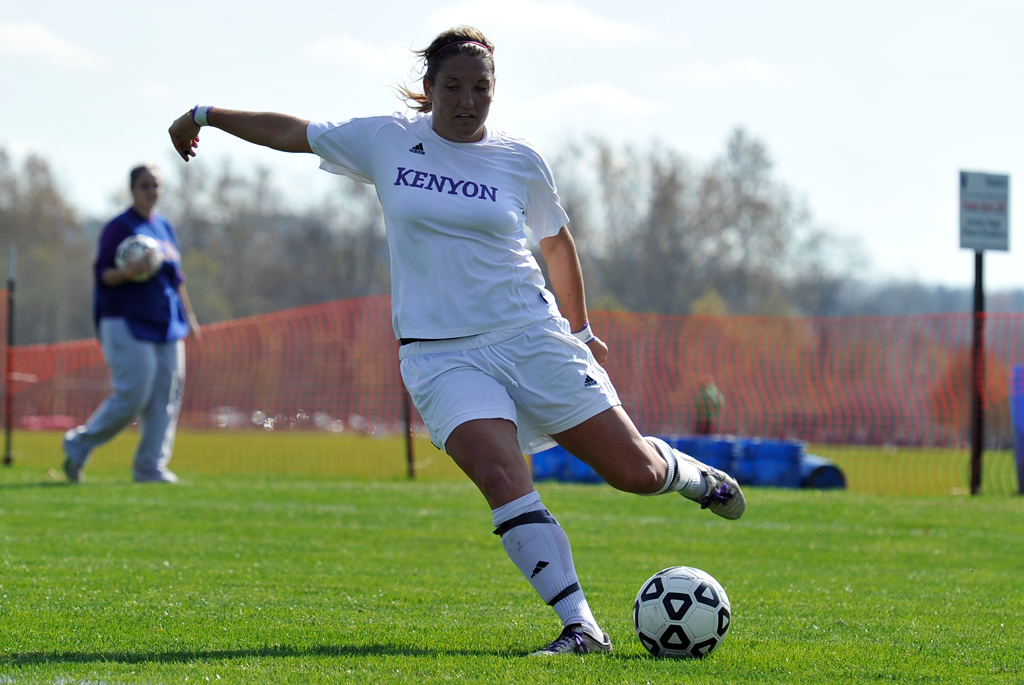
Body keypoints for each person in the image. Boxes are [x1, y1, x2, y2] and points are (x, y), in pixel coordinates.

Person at [167, 26, 745, 656]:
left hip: (529, 335)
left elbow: (555, 243)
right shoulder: (387, 140)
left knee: (634, 472)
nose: (468, 101)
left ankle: (690, 477)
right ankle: (582, 628)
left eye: (481, 88)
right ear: (429, 89)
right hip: (439, 354)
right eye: (454, 87)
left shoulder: (519, 159)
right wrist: (206, 115)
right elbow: (295, 133)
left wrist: (581, 332)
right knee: (501, 474)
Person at [62, 164, 200, 484]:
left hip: (167, 323)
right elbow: (103, 275)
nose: (151, 191)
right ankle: (78, 445)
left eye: (156, 185)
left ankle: (150, 468)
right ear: (132, 190)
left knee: (166, 397)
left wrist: (189, 317)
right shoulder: (119, 227)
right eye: (145, 186)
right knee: (134, 394)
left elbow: (177, 279)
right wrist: (128, 271)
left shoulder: (165, 227)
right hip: (125, 320)